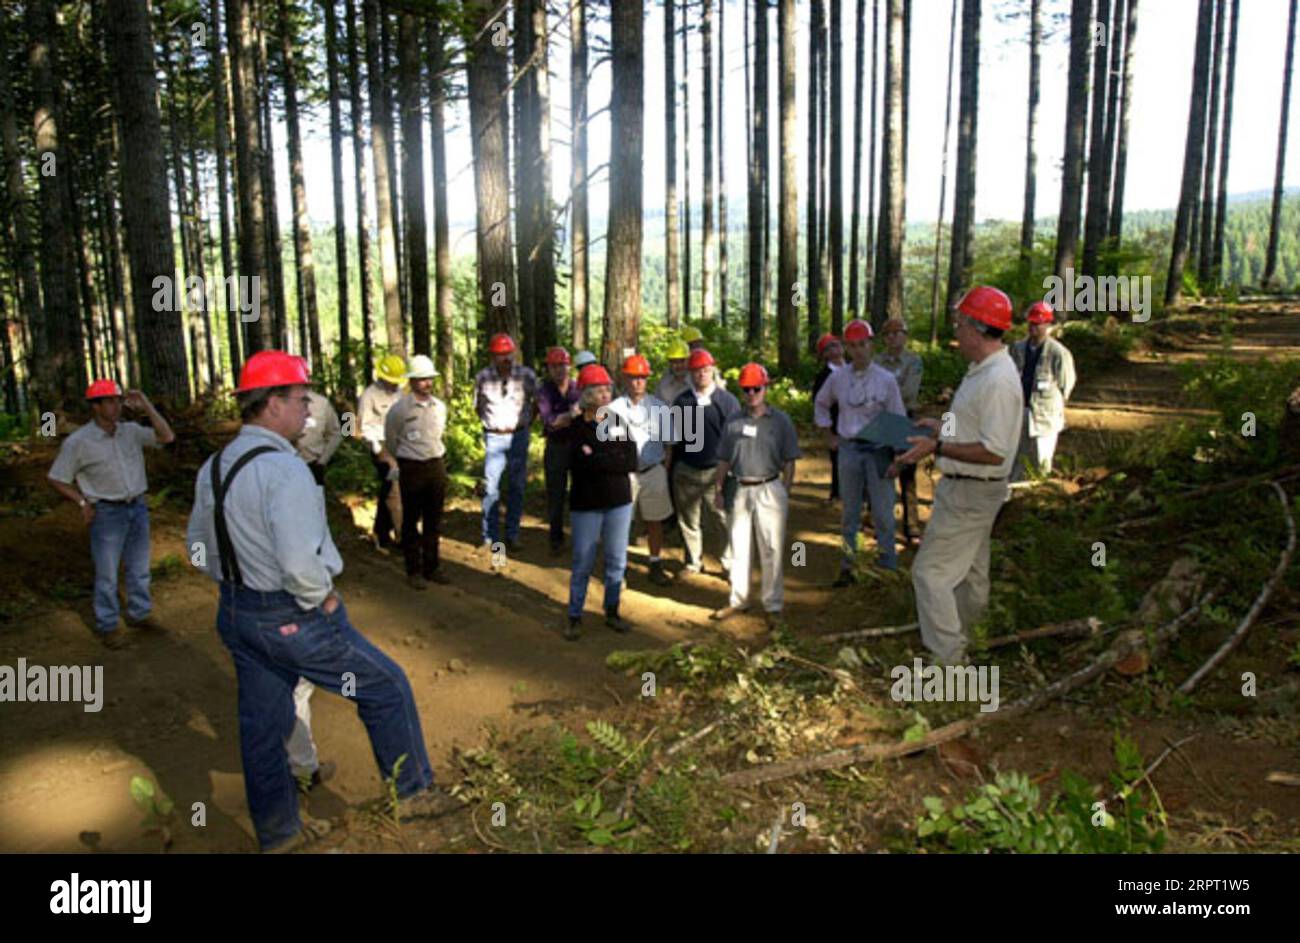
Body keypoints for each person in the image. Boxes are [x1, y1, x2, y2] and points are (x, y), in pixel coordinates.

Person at [187, 351, 444, 853]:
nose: (309, 412)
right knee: (387, 686)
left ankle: (279, 834)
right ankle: (416, 797)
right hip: (292, 615)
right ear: (272, 404)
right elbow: (298, 561)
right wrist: (321, 600)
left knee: (263, 728)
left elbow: (197, 547)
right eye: (302, 400)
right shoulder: (286, 471)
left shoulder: (213, 468)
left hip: (237, 614)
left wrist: (235, 579)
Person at [891, 287, 1024, 665]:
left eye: (960, 322)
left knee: (930, 575)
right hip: (972, 490)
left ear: (977, 328)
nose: (956, 330)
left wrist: (939, 448)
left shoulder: (998, 380)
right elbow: (971, 424)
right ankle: (972, 641)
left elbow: (994, 450)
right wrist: (941, 425)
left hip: (971, 492)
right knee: (970, 575)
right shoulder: (981, 371)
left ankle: (949, 661)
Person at [48, 380, 175, 649]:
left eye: (118, 400)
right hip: (106, 513)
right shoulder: (78, 442)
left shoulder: (130, 432)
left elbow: (167, 437)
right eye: (108, 401)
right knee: (107, 573)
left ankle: (140, 614)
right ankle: (108, 625)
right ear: (95, 407)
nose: (116, 406)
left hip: (137, 507)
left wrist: (146, 404)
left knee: (139, 567)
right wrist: (83, 502)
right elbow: (58, 478)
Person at [814, 318, 907, 584]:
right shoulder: (837, 379)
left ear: (872, 345)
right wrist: (828, 434)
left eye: (862, 344)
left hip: (879, 451)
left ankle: (887, 565)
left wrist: (898, 459)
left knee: (882, 512)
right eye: (852, 346)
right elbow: (821, 404)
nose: (858, 351)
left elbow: (897, 418)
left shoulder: (886, 380)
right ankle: (849, 565)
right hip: (849, 449)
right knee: (850, 512)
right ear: (846, 348)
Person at [710, 363, 800, 627]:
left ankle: (773, 605)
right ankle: (738, 600)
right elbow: (724, 458)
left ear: (765, 388)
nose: (751, 393)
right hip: (738, 488)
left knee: (771, 547)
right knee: (738, 546)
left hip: (770, 487)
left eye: (756, 388)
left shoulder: (781, 421)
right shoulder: (733, 420)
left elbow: (790, 458)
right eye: (746, 389)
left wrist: (787, 489)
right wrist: (718, 488)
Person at [559, 364, 638, 641]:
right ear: (586, 393)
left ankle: (612, 611)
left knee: (617, 560)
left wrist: (596, 458)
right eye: (598, 390)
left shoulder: (617, 422)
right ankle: (574, 615)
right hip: (586, 504)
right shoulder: (576, 428)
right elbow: (577, 464)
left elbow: (631, 460)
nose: (605, 394)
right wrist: (606, 459)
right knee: (583, 560)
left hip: (619, 502)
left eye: (607, 389)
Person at [670, 348, 740, 578]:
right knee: (688, 519)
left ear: (713, 370)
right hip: (687, 469)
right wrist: (671, 467)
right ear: (690, 373)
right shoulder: (682, 401)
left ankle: (729, 563)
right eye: (697, 371)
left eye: (705, 370)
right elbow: (674, 438)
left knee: (722, 519)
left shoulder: (727, 401)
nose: (701, 374)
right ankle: (692, 561)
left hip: (716, 472)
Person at [384, 355, 450, 589]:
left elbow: (439, 435)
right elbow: (391, 440)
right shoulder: (399, 410)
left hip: (436, 465)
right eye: (421, 379)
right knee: (411, 520)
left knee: (434, 519)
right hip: (411, 467)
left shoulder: (440, 408)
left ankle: (433, 566)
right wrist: (403, 458)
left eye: (429, 379)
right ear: (411, 382)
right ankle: (414, 570)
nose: (427, 383)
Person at [608, 354, 674, 587]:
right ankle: (619, 568)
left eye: (642, 378)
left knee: (655, 520)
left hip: (653, 470)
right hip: (625, 475)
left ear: (647, 380)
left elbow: (669, 445)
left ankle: (655, 563)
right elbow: (607, 446)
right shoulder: (613, 409)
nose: (638, 382)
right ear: (625, 379)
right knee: (622, 522)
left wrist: (663, 470)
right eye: (633, 377)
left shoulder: (659, 408)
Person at [474, 333, 537, 556]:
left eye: (508, 353)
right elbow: (478, 407)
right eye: (501, 355)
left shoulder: (527, 375)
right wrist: (491, 426)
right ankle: (489, 537)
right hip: (494, 436)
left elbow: (536, 402)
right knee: (491, 488)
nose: (506, 359)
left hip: (519, 435)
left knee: (517, 487)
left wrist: (527, 423)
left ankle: (513, 534)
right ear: (493, 356)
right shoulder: (482, 377)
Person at [1010, 302, 1077, 482]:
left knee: (1041, 460)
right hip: (1020, 413)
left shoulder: (1059, 353)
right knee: (1016, 459)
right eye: (1031, 323)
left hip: (1045, 416)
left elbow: (1066, 385)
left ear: (1047, 325)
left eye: (1037, 323)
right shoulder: (1017, 348)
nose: (1033, 327)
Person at [877, 318, 924, 545]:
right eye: (889, 334)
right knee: (882, 471)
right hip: (883, 420)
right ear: (884, 338)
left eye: (899, 333)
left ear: (905, 336)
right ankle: (880, 523)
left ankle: (911, 527)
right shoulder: (877, 361)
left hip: (906, 418)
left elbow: (908, 392)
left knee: (907, 472)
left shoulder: (914, 361)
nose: (894, 337)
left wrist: (884, 395)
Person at [357, 355, 406, 552]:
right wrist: (380, 451)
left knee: (390, 489)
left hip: (400, 445)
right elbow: (363, 428)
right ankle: (404, 536)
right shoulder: (369, 395)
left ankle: (381, 532)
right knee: (394, 489)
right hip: (381, 447)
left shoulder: (399, 393)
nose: (394, 385)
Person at [536, 347, 581, 555]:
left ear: (568, 366)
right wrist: (572, 414)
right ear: (549, 368)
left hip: (578, 446)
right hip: (555, 447)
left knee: (582, 493)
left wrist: (564, 418)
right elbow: (550, 423)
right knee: (556, 494)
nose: (559, 370)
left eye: (562, 365)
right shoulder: (544, 391)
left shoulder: (577, 387)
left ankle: (581, 537)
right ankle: (556, 538)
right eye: (554, 366)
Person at [811, 333, 844, 503]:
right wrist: (827, 431)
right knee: (838, 459)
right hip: (836, 424)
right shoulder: (824, 376)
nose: (837, 347)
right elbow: (818, 403)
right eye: (831, 346)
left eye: (837, 343)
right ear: (824, 354)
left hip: (857, 424)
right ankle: (836, 494)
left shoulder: (854, 368)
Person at [295, 386, 343, 488]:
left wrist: (322, 460)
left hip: (313, 464)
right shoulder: (277, 402)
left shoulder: (322, 403)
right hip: (285, 464)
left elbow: (335, 433)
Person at [655, 336, 692, 408]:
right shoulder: (663, 383)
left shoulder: (696, 382)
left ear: (688, 360)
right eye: (674, 361)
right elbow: (656, 407)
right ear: (669, 362)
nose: (678, 365)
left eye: (682, 361)